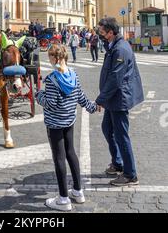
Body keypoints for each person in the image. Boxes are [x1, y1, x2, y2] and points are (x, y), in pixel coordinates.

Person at [36, 44, 97, 211]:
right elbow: (80, 96)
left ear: (56, 58)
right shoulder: (73, 75)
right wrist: (91, 107)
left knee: (59, 158)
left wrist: (38, 95)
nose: (48, 59)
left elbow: (50, 103)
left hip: (55, 123)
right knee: (71, 153)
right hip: (69, 121)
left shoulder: (52, 79)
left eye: (50, 57)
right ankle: (78, 191)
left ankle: (63, 199)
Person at [96, 17, 144, 187]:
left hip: (119, 98)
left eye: (102, 32)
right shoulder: (113, 46)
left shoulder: (121, 49)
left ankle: (130, 174)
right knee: (107, 128)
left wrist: (100, 100)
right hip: (113, 97)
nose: (100, 35)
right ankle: (117, 163)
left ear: (111, 32)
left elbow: (116, 78)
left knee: (121, 135)